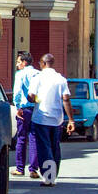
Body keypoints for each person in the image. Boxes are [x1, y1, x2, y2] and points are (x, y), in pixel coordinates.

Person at [28, 52, 75, 185]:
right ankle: (53, 175)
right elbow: (66, 99)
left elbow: (31, 96)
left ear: (42, 64)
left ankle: (49, 178)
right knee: (55, 147)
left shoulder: (37, 78)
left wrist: (34, 99)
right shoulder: (60, 79)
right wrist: (71, 120)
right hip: (57, 119)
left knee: (44, 148)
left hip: (41, 118)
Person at [10, 51, 40, 177]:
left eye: (18, 62)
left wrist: (17, 106)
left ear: (24, 62)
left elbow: (17, 91)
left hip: (24, 109)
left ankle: (20, 168)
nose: (17, 65)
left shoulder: (20, 74)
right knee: (34, 138)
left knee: (22, 138)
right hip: (37, 109)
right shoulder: (38, 74)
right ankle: (33, 169)